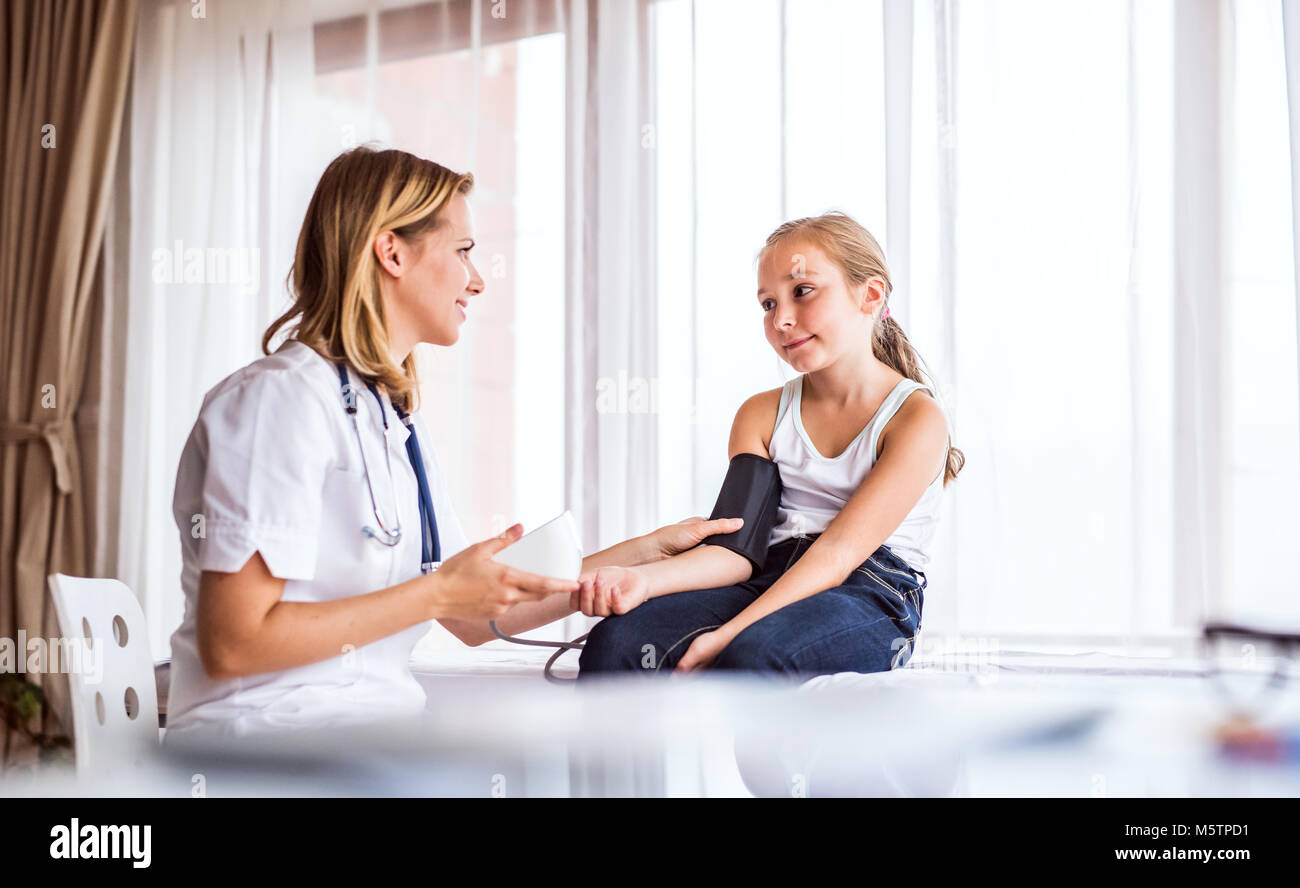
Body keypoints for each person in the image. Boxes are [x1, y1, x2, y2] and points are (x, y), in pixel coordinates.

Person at [164, 146, 741, 738]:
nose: (478, 279)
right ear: (391, 251)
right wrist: (438, 593)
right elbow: (234, 643)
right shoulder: (279, 402)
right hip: (262, 748)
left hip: (365, 742)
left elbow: (476, 614)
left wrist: (644, 553)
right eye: (463, 251)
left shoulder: (394, 421)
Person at [575, 212, 964, 678]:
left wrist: (727, 634)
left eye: (802, 292)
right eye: (767, 304)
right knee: (615, 641)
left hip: (869, 588)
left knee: (756, 655)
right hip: (769, 575)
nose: (781, 319)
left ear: (871, 294)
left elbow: (838, 555)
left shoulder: (917, 418)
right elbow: (737, 551)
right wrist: (640, 581)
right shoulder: (760, 415)